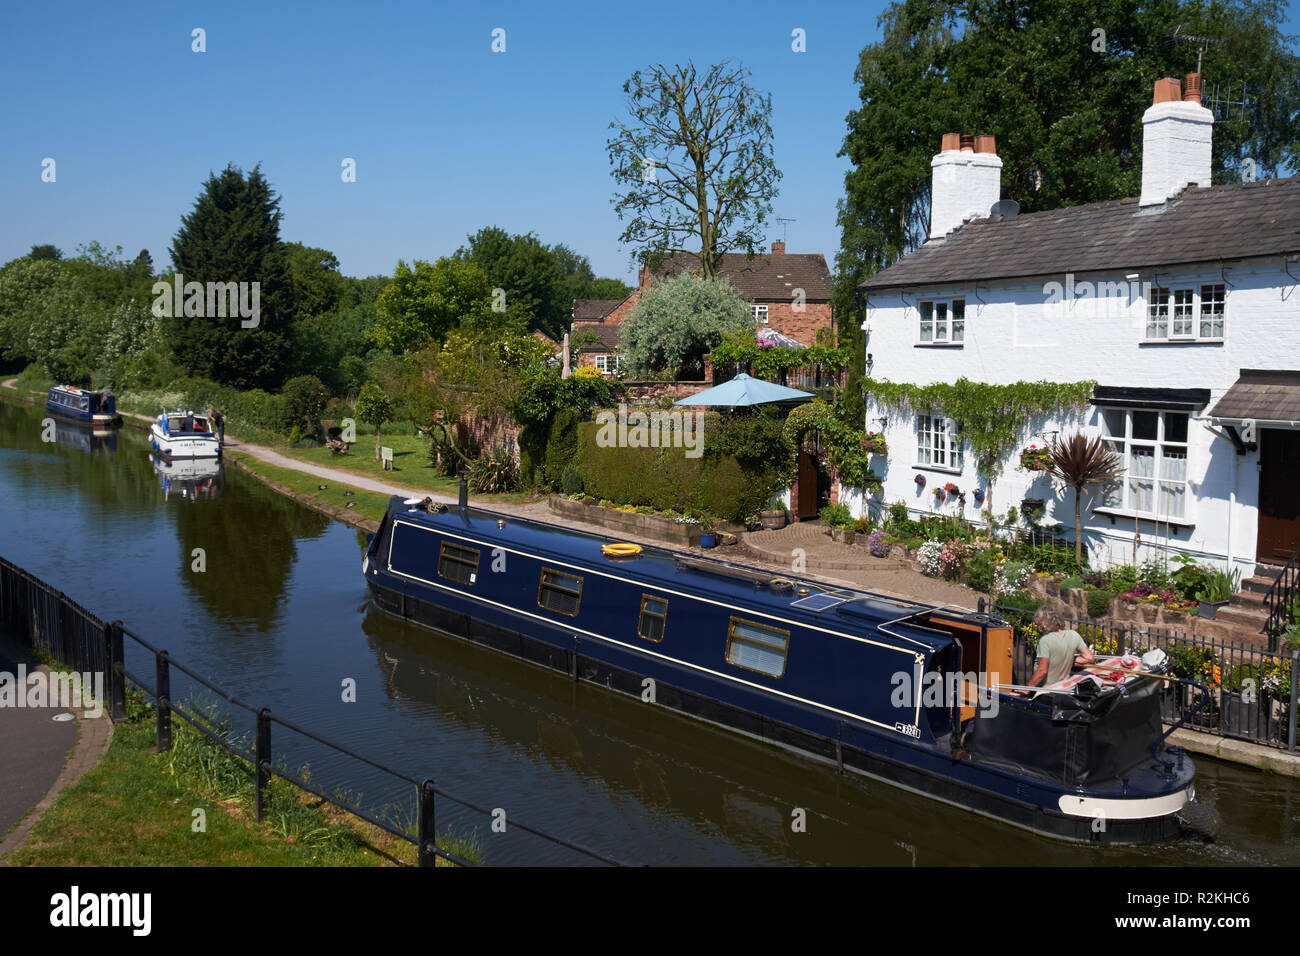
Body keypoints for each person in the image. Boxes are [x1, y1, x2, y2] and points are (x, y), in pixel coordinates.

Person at [1028, 607, 1094, 687]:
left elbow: (1042, 671)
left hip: (1045, 689)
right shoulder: (1074, 635)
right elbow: (1089, 658)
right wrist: (1067, 659)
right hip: (1064, 687)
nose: (1039, 629)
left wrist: (1026, 689)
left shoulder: (1045, 641)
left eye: (1039, 625)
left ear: (1045, 624)